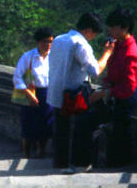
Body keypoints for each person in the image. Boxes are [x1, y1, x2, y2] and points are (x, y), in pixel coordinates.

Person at [47, 12, 111, 172]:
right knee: (78, 131)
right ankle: (76, 164)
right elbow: (95, 70)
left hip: (55, 92)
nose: (93, 37)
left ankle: (59, 164)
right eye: (94, 34)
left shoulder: (59, 39)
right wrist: (107, 54)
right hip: (73, 95)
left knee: (60, 131)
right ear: (89, 30)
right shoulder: (80, 44)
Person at [95, 7, 137, 167]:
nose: (110, 30)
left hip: (125, 97)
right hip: (116, 92)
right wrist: (107, 81)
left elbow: (129, 86)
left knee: (120, 133)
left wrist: (107, 92)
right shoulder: (117, 45)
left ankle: (119, 165)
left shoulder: (131, 52)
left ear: (125, 28)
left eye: (113, 27)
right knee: (113, 132)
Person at [13, 27, 55, 158]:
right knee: (29, 125)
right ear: (38, 42)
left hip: (48, 93)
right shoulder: (28, 57)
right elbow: (17, 77)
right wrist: (29, 94)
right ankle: (26, 153)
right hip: (30, 93)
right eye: (45, 41)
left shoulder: (53, 57)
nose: (48, 45)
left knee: (46, 125)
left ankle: (41, 151)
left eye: (50, 42)